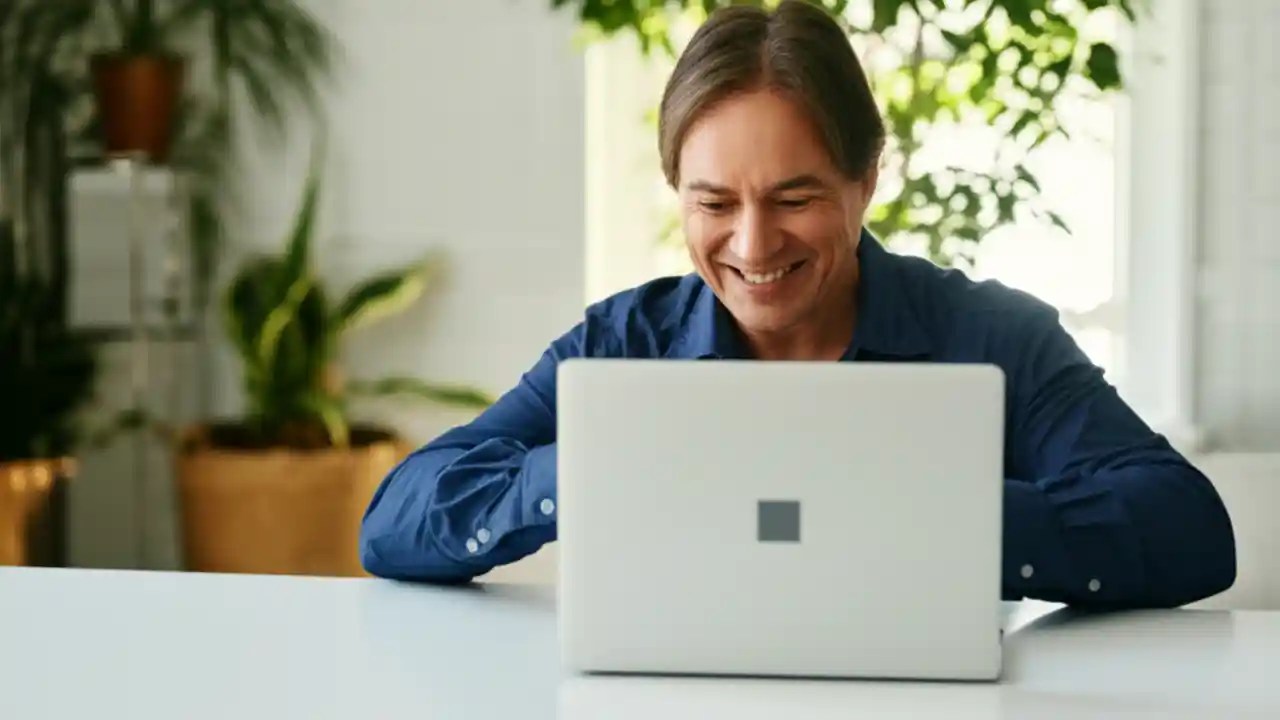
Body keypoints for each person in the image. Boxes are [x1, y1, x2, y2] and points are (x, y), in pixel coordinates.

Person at [360, 0, 1235, 608]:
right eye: (712, 204)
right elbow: (393, 523)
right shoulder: (624, 342)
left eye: (794, 199)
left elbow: (1187, 528)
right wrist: (577, 471)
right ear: (677, 194)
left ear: (866, 182)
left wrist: (941, 513)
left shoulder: (992, 335)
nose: (751, 245)